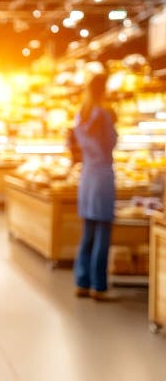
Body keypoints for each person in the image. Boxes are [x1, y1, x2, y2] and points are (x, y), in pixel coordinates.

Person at [71, 72, 118, 301]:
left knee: (87, 232)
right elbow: (111, 142)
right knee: (103, 232)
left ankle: (82, 281)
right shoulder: (103, 114)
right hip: (102, 177)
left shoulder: (80, 114)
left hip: (87, 176)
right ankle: (99, 286)